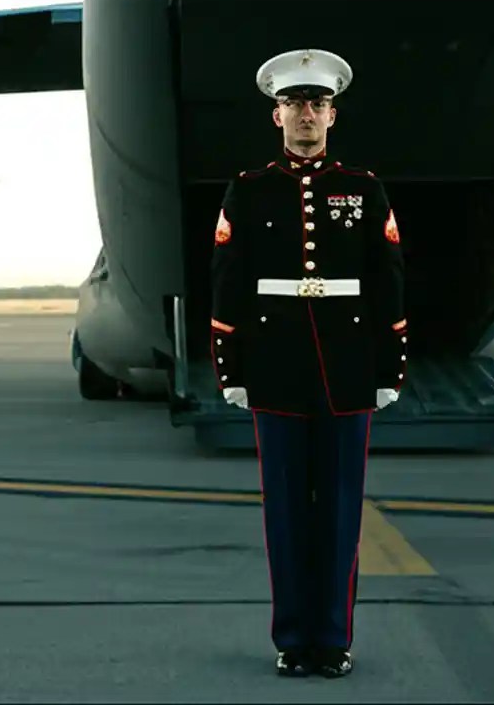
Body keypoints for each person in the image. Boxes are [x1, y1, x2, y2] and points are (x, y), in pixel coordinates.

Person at [208, 48, 407, 678]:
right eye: (294, 104)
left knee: (343, 510)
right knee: (286, 512)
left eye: (316, 104)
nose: (305, 116)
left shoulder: (363, 189)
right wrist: (231, 368)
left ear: (332, 115)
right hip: (274, 366)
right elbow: (228, 281)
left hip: (347, 369)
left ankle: (334, 641)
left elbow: (387, 280)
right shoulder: (248, 189)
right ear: (276, 116)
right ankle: (293, 640)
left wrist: (389, 368)